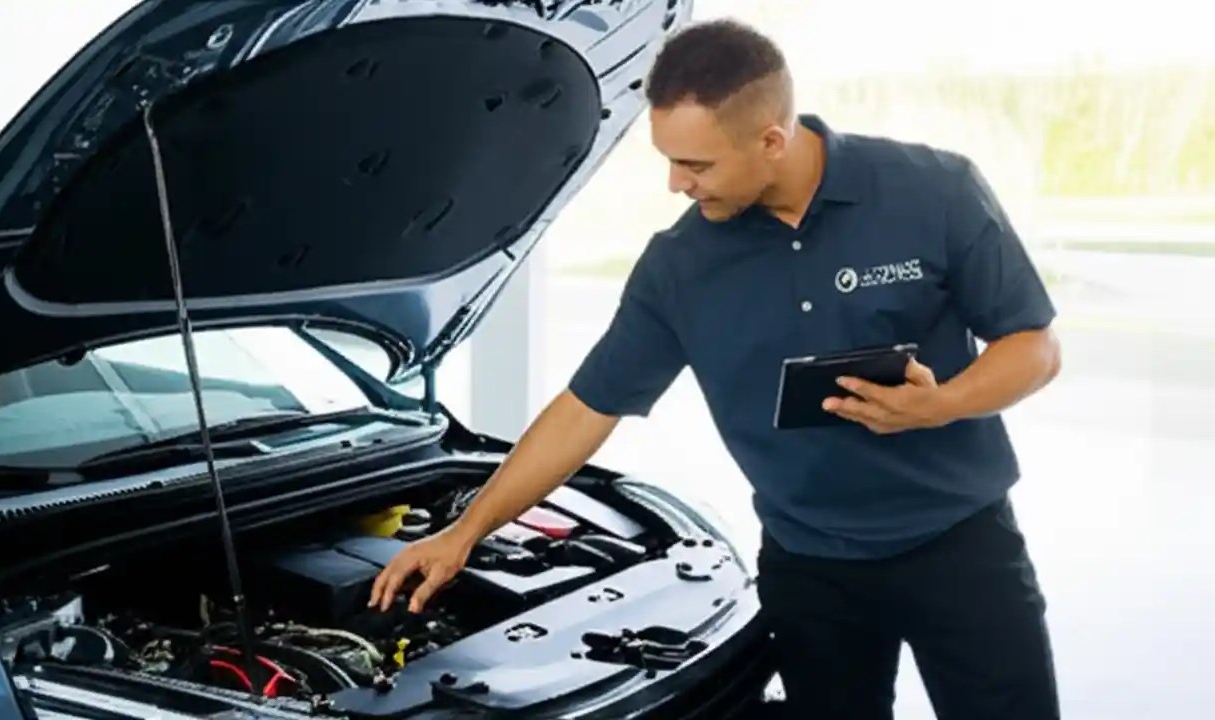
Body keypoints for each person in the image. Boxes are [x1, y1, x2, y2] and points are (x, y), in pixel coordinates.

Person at [369, 18, 1062, 720]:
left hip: (963, 549)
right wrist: (464, 533)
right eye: (668, 160)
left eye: (696, 165)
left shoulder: (934, 191)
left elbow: (1034, 347)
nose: (676, 184)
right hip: (811, 571)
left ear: (770, 140)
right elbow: (586, 407)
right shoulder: (680, 267)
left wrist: (942, 404)